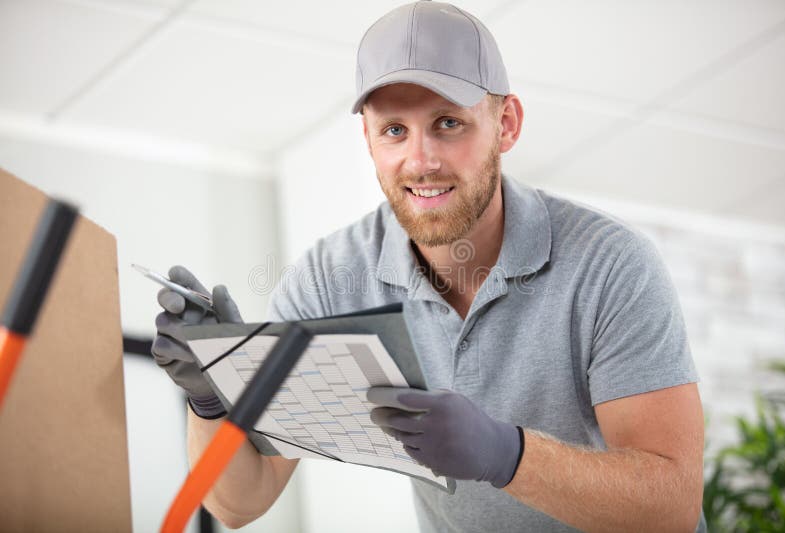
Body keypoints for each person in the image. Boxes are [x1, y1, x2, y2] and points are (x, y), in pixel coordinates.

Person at [152, 2, 706, 531]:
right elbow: (243, 502)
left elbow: (672, 508)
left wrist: (506, 454)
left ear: (506, 123)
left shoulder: (609, 266)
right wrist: (212, 396)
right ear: (368, 140)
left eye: (448, 123)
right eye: (395, 129)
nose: (421, 161)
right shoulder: (328, 281)